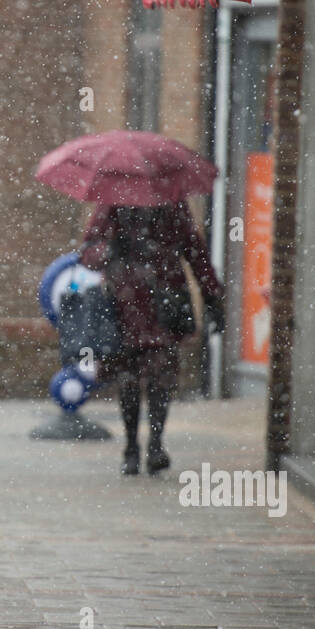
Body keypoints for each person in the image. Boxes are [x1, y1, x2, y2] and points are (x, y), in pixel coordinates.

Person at [79, 201, 225, 476]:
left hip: (164, 301)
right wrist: (110, 249)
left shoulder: (172, 202)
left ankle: (155, 443)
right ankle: (132, 446)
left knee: (161, 374)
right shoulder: (113, 204)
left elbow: (194, 249)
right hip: (124, 302)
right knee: (129, 377)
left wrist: (211, 293)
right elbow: (88, 252)